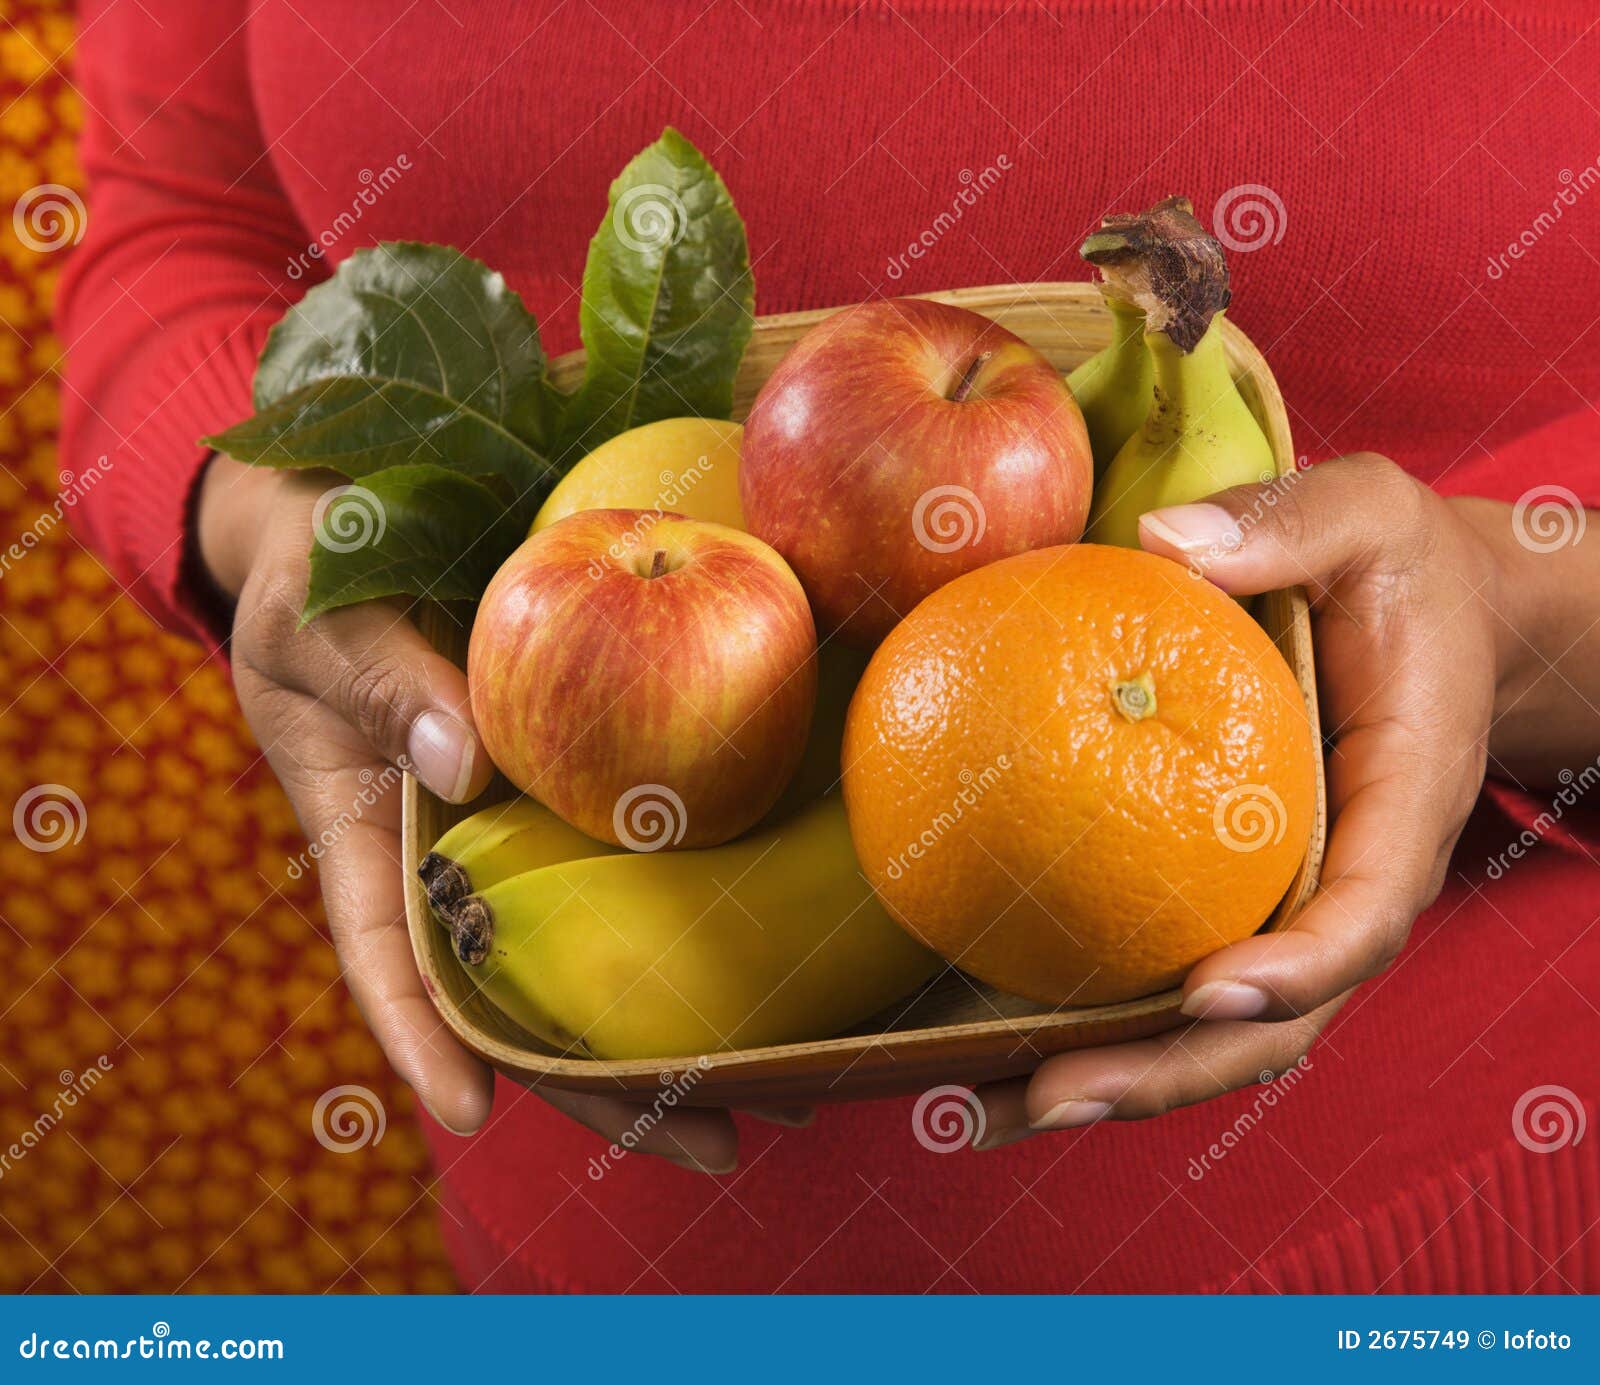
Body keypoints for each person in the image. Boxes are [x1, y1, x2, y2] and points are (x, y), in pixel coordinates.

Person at [58, 0, 1600, 1292]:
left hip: (1422, 1237)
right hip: (610, 1258)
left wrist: (1505, 613)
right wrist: (265, 512)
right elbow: (175, 215)